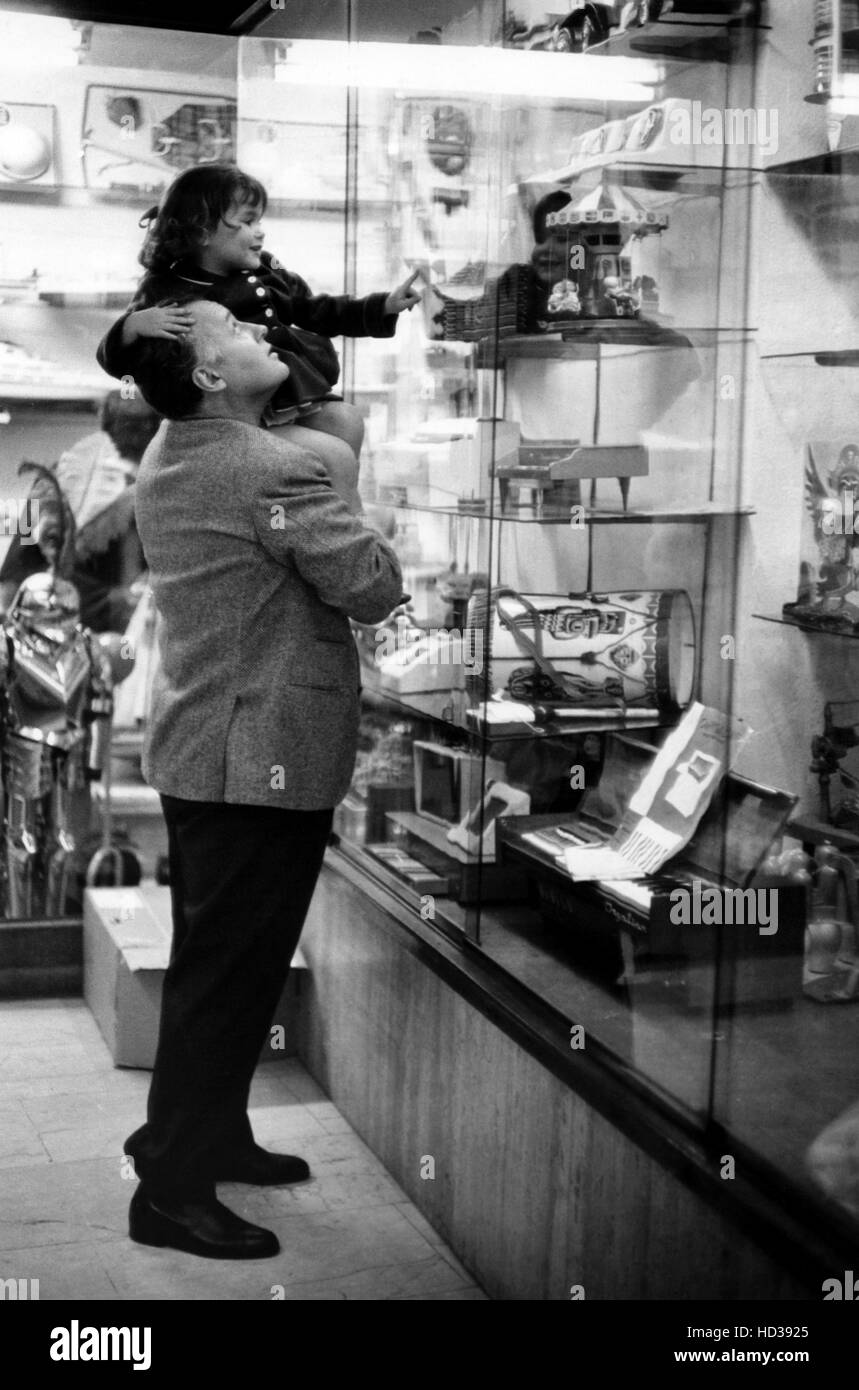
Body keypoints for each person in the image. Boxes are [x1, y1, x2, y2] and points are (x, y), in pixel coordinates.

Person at [119, 296, 403, 1260]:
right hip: (256, 760)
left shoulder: (173, 446)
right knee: (226, 983)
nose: (258, 337)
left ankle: (205, 1136)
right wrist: (346, 471)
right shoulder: (275, 467)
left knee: (221, 970)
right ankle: (169, 1190)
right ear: (206, 376)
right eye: (234, 335)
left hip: (208, 745)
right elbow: (372, 586)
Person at [96, 163, 421, 514]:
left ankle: (330, 504)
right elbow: (116, 359)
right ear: (202, 230)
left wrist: (381, 307)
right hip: (239, 408)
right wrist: (133, 326)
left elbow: (314, 309)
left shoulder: (266, 269)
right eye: (248, 222)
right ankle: (342, 515)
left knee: (346, 420)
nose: (260, 232)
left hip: (288, 390)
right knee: (334, 455)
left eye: (260, 221)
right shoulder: (166, 288)